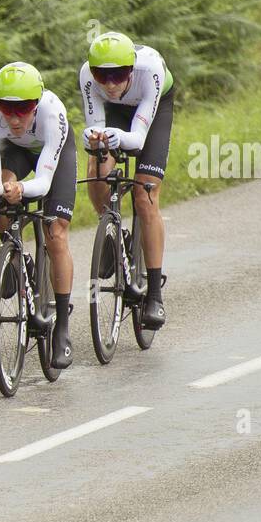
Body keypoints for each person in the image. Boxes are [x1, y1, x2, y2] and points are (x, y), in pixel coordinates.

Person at [0, 61, 77, 369]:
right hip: (17, 152)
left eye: (24, 108)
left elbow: (44, 182)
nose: (15, 117)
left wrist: (22, 188)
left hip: (52, 154)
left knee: (56, 232)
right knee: (0, 198)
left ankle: (62, 328)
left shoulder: (51, 113)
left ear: (37, 102)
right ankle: (15, 257)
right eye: (7, 108)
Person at [79, 31, 175, 329]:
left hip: (150, 113)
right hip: (117, 113)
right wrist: (94, 140)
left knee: (145, 196)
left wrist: (119, 137)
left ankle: (155, 295)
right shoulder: (87, 76)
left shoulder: (150, 72)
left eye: (118, 75)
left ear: (131, 70)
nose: (109, 84)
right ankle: (111, 229)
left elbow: (137, 139)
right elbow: (95, 128)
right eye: (101, 76)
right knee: (97, 166)